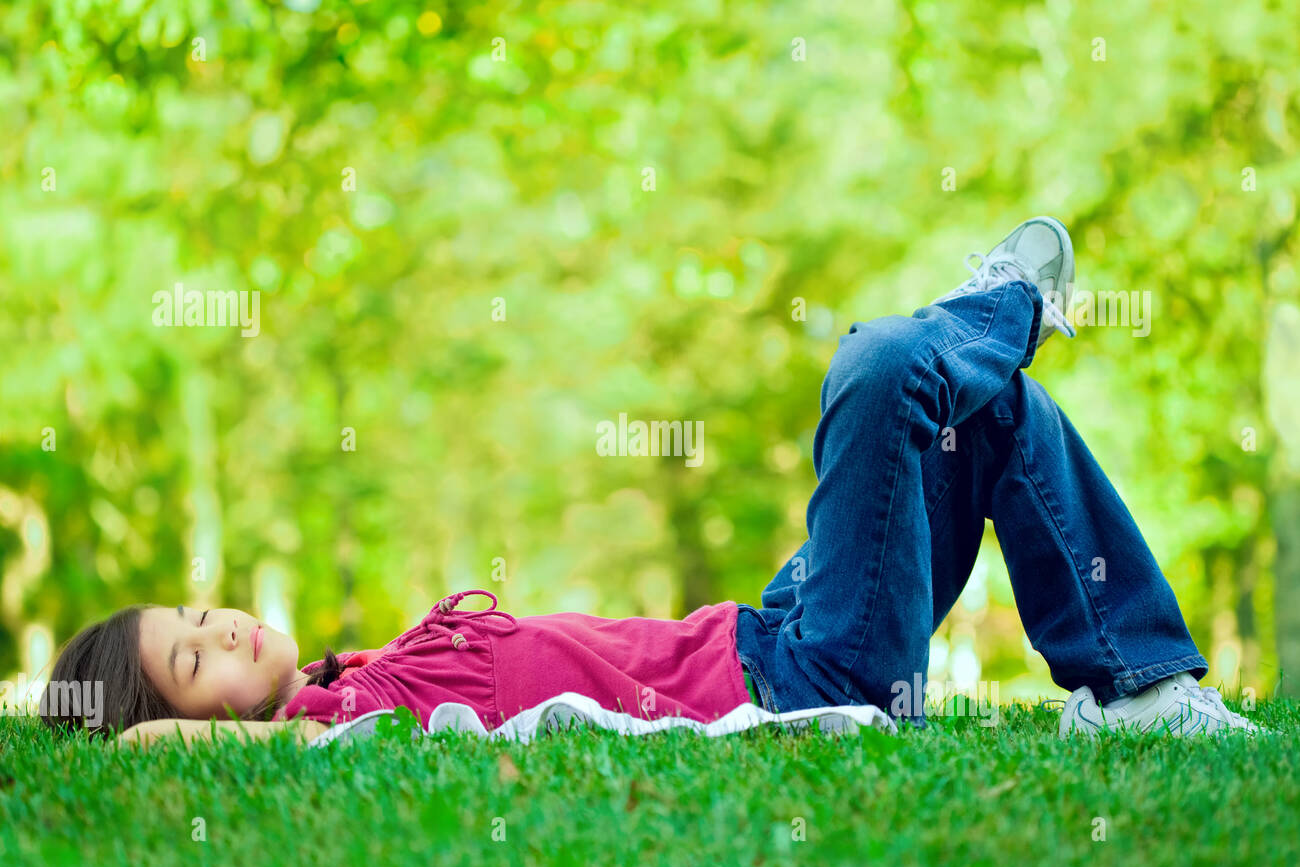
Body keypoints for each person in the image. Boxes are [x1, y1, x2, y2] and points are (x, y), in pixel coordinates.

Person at [39, 217, 1261, 747]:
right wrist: (142, 726)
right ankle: (1002, 308)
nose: (223, 626)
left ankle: (1140, 685)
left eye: (197, 613)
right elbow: (143, 754)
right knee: (883, 367)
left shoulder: (357, 672)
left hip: (772, 628)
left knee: (981, 408)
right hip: (805, 683)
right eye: (192, 659)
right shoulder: (327, 736)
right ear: (192, 725)